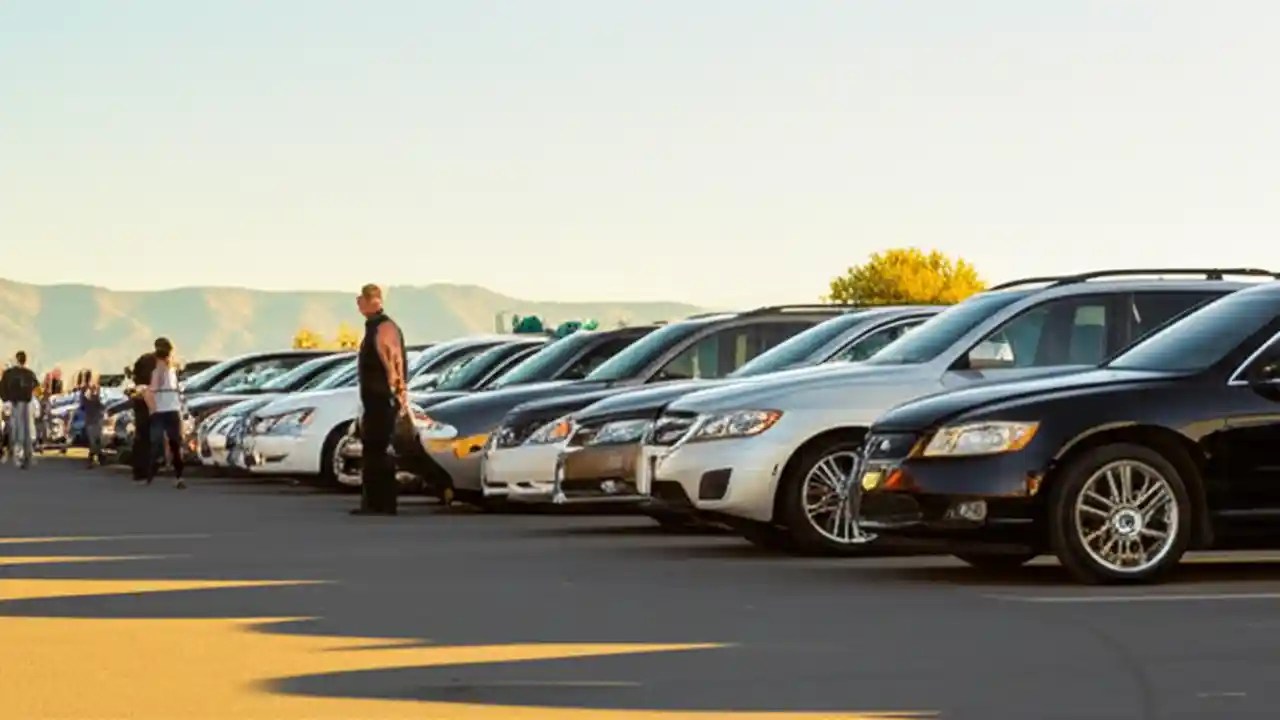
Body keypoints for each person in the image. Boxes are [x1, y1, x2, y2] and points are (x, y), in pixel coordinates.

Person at [352, 283, 408, 515]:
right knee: (372, 451)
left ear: (370, 301)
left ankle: (384, 503)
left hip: (383, 400)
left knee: (381, 451)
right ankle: (372, 502)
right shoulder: (373, 328)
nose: (358, 306)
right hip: (373, 400)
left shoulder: (384, 328)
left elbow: (395, 363)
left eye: (360, 301)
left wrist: (398, 394)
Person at [143, 337, 185, 488]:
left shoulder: (161, 372)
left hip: (163, 411)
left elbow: (152, 391)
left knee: (159, 444)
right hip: (171, 410)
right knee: (173, 445)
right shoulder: (170, 372)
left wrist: (152, 409)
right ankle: (177, 477)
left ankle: (153, 474)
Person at [0, 352, 40, 468]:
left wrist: (6, 400)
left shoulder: (9, 373)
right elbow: (37, 388)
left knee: (17, 430)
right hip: (27, 403)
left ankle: (19, 456)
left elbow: (2, 388)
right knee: (26, 430)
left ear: (16, 359)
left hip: (15, 403)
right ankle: (27, 455)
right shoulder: (29, 373)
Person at [129, 347, 158, 481]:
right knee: (149, 437)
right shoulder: (155, 366)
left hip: (140, 405)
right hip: (149, 404)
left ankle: (139, 469)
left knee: (141, 437)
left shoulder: (137, 387)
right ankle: (147, 468)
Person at [79, 372, 105, 467]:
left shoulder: (99, 389)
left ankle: (96, 457)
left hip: (98, 417)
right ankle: (96, 457)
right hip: (91, 418)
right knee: (93, 439)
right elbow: (84, 403)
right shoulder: (85, 390)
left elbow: (102, 402)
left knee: (97, 438)